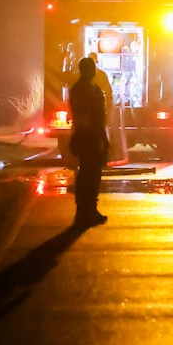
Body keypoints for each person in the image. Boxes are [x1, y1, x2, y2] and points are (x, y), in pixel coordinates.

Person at [69, 56, 109, 226]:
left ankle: (89, 209)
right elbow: (87, 116)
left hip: (91, 136)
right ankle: (85, 210)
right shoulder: (85, 90)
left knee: (91, 174)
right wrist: (100, 136)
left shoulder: (85, 89)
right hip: (88, 137)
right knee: (88, 174)